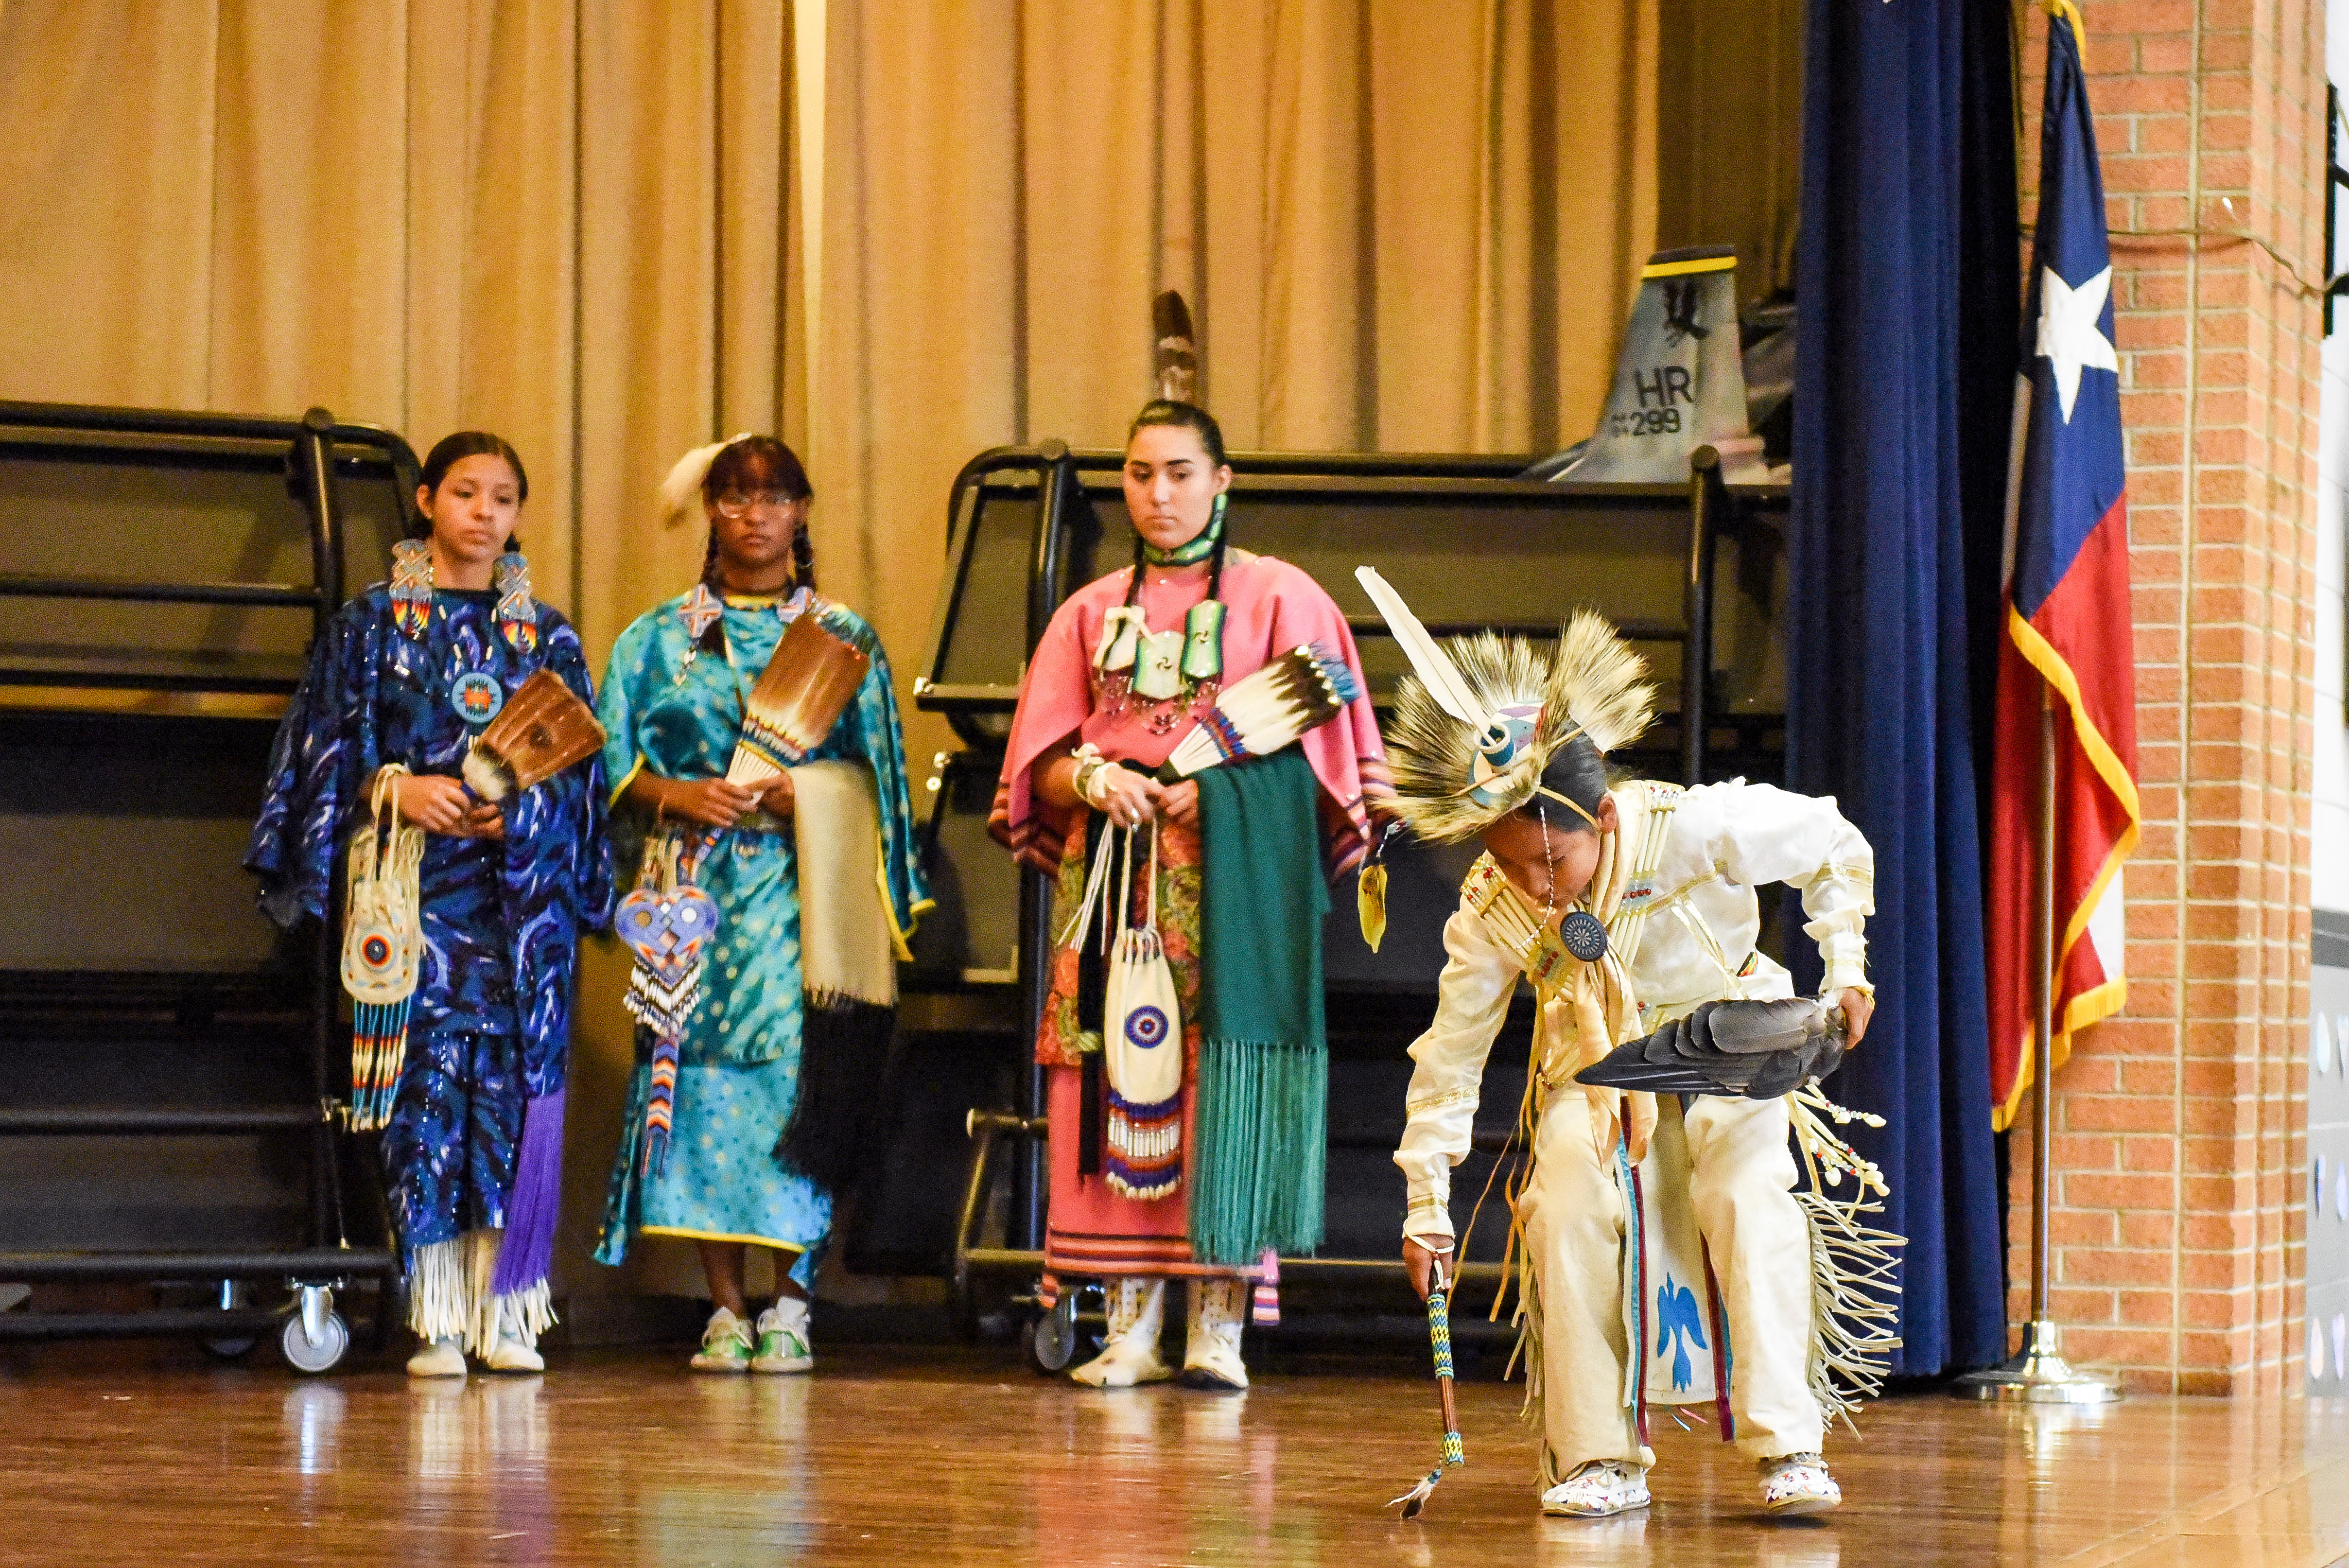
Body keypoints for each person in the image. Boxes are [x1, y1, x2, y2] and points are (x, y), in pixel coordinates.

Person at [1373, 594, 1886, 1518]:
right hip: (1599, 1065)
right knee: (1559, 1198)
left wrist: (1844, 964)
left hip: (1733, 1041)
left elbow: (1833, 844)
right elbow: (1452, 1055)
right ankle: (1593, 1457)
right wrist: (1427, 1207)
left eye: (1554, 860)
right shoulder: (1494, 906)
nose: (1536, 884)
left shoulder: (1686, 828)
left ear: (1603, 817)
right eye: (1511, 860)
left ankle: (1789, 1447)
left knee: (1742, 1190)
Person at [990, 400, 1389, 1389]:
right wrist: (1091, 779)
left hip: (1235, 885)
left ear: (1222, 479)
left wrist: (1215, 791)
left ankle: (1219, 1329)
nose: (1158, 494)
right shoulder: (1088, 611)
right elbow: (1035, 765)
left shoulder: (1281, 597)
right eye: (1138, 474)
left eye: (1179, 472)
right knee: (1112, 1075)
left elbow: (1338, 767)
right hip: (1117, 877)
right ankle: (1127, 1326)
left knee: (1225, 1080)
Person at [248, 431, 613, 1377]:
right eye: (466, 493)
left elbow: (583, 779)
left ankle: (508, 1311)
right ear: (426, 502)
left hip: (515, 910)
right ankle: (436, 1315)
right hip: (412, 903)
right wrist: (397, 791)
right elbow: (316, 757)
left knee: (511, 1095)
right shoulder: (372, 630)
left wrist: (520, 809)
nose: (484, 513)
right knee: (422, 1098)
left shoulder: (549, 637)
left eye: (503, 497)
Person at [593, 434, 928, 1375]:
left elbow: (884, 783)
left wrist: (804, 794)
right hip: (690, 898)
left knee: (792, 1087)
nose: (753, 514)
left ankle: (791, 1302)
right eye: (734, 497)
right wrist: (675, 794)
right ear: (709, 511)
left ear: (803, 511)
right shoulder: (656, 642)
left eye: (773, 496)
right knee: (694, 1092)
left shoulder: (841, 641)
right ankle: (724, 1306)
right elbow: (609, 768)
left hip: (798, 900)